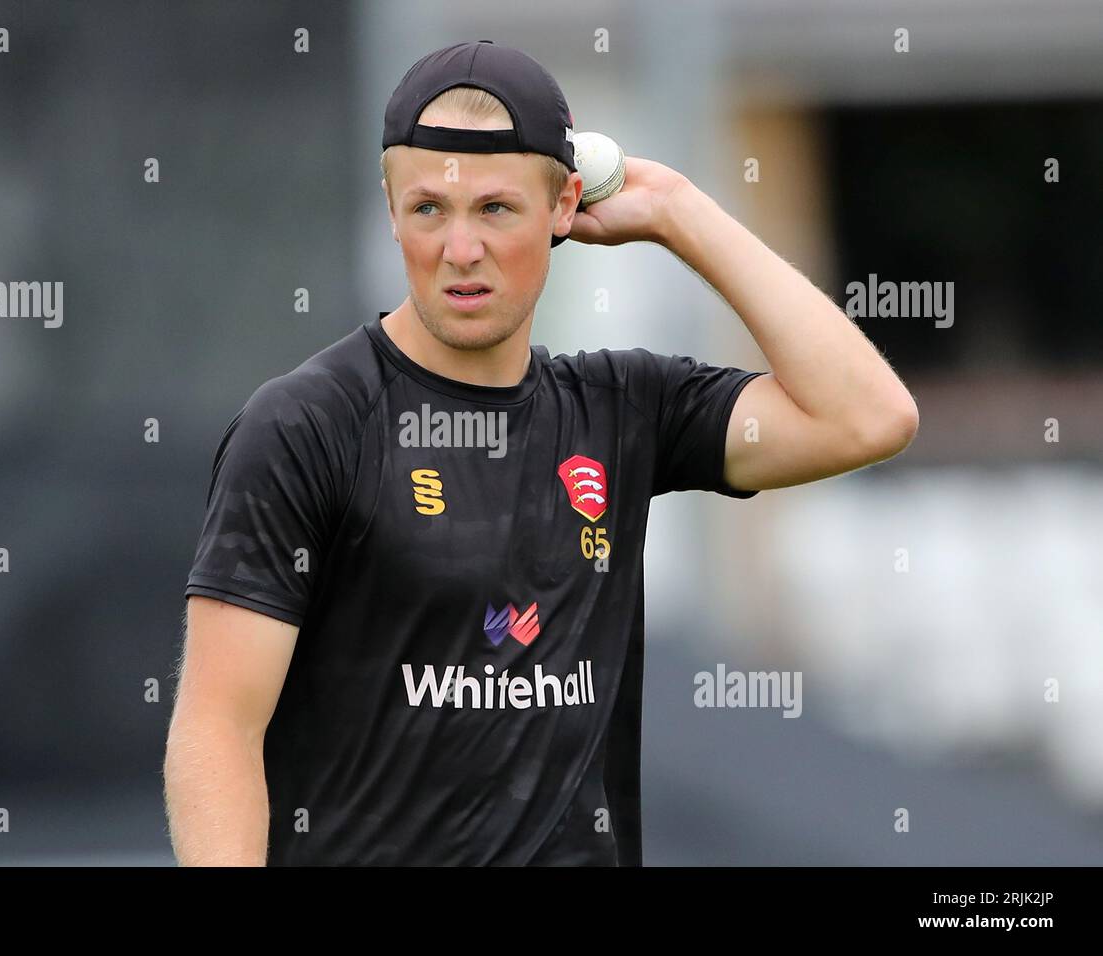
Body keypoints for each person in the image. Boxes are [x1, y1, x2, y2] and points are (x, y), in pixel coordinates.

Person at [163, 40, 918, 866]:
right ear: (389, 208)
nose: (460, 249)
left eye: (495, 209)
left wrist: (676, 209)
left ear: (564, 206)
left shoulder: (624, 409)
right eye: (427, 210)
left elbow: (866, 417)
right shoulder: (307, 424)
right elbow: (217, 731)